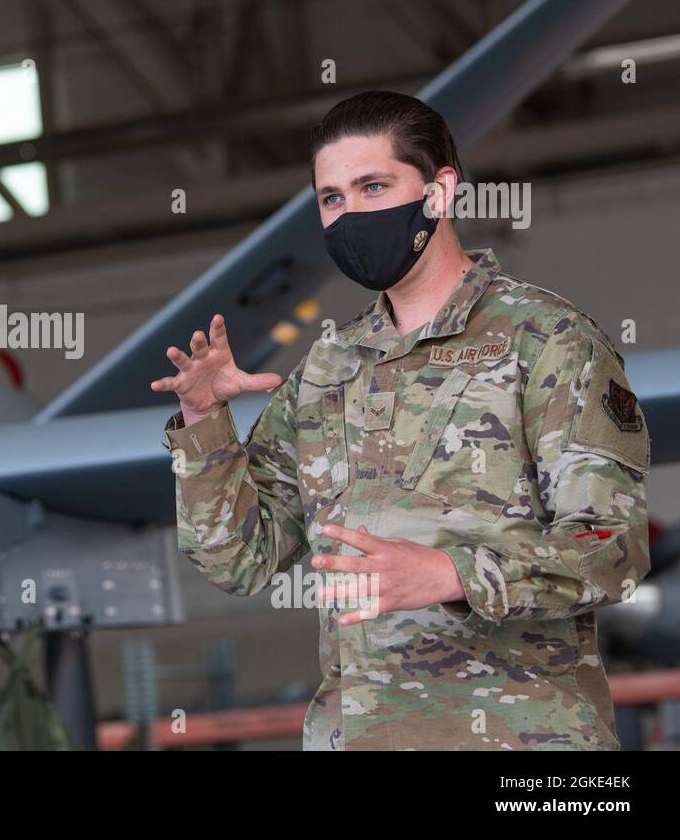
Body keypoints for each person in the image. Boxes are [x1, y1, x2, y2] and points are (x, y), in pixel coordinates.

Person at [152, 90, 650, 750]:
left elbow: (612, 549)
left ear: (439, 192)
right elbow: (239, 560)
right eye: (331, 198)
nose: (350, 214)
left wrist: (451, 575)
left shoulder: (546, 340)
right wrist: (204, 418)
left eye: (373, 186)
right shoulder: (327, 370)